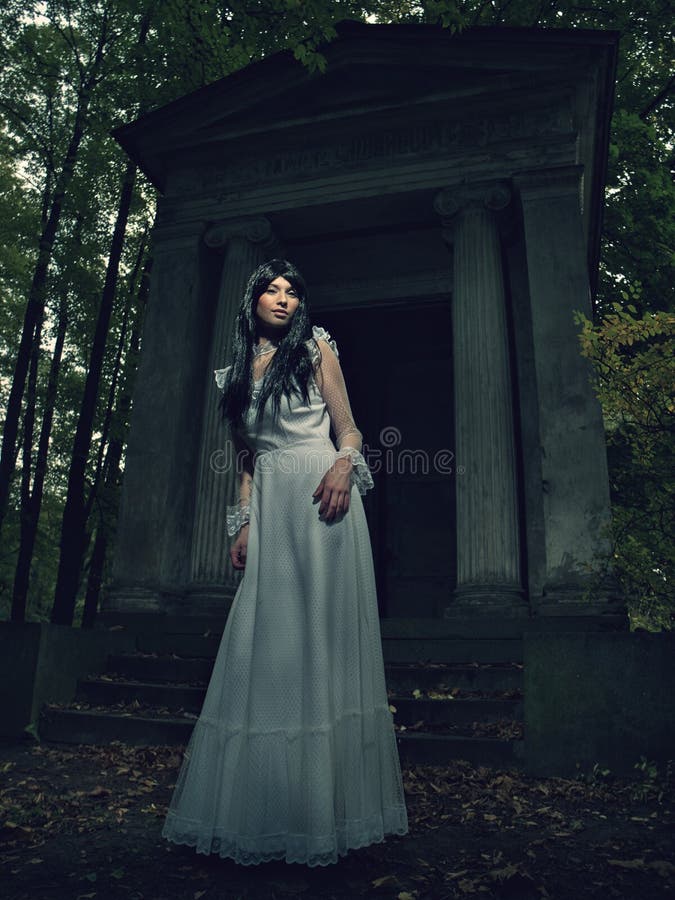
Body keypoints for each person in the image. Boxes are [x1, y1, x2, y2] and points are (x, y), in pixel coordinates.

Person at [161, 259, 409, 866]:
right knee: (264, 648)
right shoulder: (234, 377)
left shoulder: (317, 349)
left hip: (324, 503)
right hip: (272, 512)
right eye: (271, 290)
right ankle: (265, 810)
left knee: (319, 645)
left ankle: (323, 814)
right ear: (251, 302)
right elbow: (247, 460)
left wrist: (343, 469)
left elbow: (348, 430)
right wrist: (242, 521)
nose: (282, 299)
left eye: (292, 291)